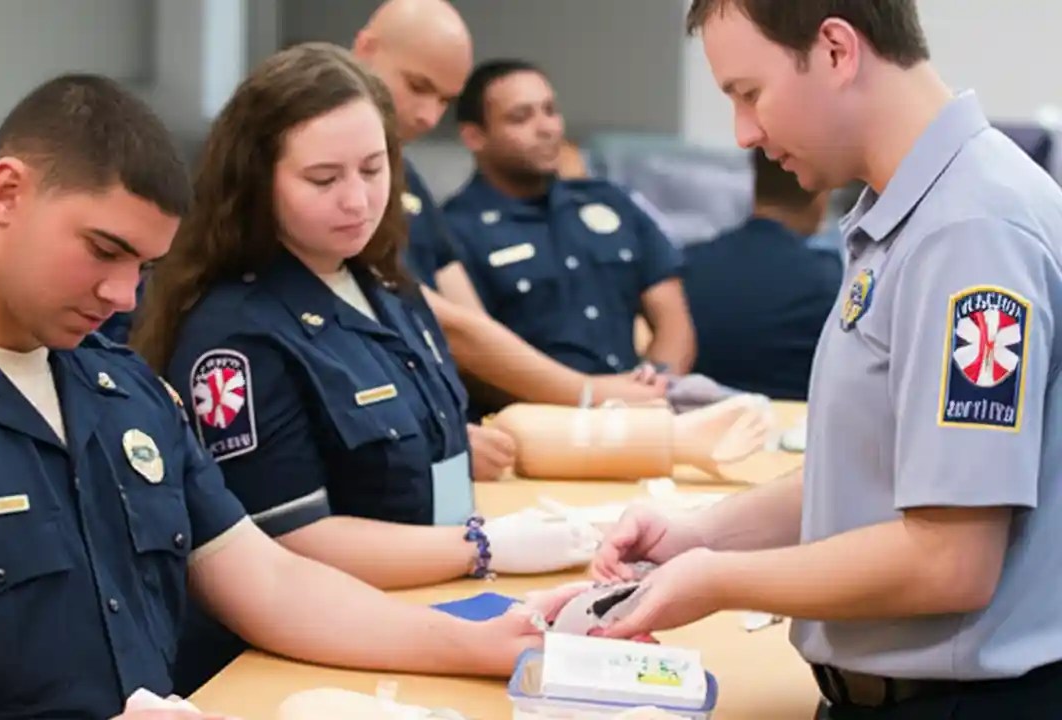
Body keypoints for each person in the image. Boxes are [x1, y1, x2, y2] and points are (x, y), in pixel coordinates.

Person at [0, 73, 547, 720]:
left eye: (144, 267)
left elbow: (271, 583)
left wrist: (479, 642)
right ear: (7, 192)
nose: (121, 297)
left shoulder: (122, 391)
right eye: (104, 251)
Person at [592, 1, 1062, 717]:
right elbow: (882, 470)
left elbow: (949, 562)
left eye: (750, 94)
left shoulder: (970, 233)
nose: (745, 133)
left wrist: (720, 581)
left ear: (838, 50)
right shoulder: (912, 214)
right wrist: (699, 536)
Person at [131, 42, 599, 695]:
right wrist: (485, 544)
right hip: (323, 649)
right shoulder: (234, 334)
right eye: (324, 180)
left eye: (374, 169)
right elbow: (290, 544)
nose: (357, 199)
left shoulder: (385, 285)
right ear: (258, 182)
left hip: (442, 604)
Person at [348, 0, 668, 418]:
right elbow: (442, 322)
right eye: (418, 86)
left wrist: (644, 381)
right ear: (366, 49)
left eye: (444, 99)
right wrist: (585, 393)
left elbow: (471, 321)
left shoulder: (407, 176)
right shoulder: (356, 178)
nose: (428, 117)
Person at [444, 59, 698, 383]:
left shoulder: (611, 201)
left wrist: (658, 382)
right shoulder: (454, 230)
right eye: (521, 117)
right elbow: (474, 358)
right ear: (474, 136)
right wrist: (589, 400)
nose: (547, 128)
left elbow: (673, 321)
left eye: (550, 111)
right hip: (533, 419)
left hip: (636, 410)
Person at [682, 148, 842, 400]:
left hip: (701, 427)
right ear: (823, 196)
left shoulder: (685, 266)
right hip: (798, 430)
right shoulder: (832, 281)